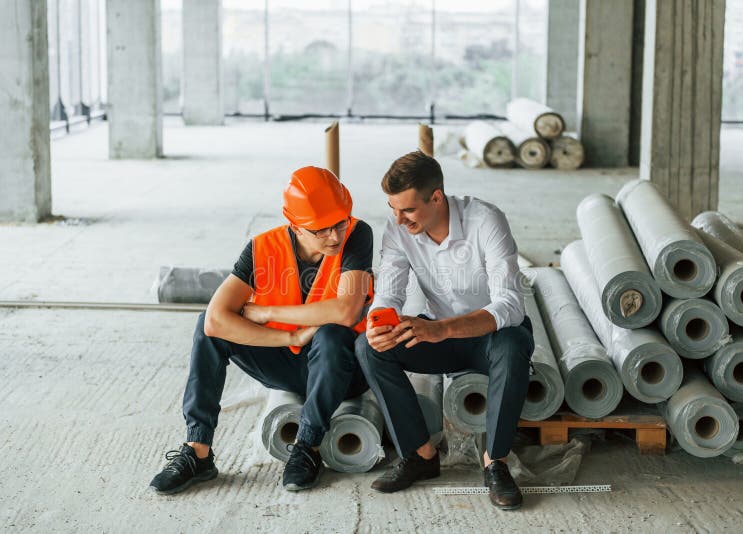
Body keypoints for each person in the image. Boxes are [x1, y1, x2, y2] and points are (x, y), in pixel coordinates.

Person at [150, 167, 373, 494]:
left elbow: (346, 309)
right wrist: (290, 336)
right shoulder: (261, 249)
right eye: (321, 231)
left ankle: (307, 447)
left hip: (344, 370)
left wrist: (268, 311)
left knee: (332, 332)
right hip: (287, 360)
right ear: (295, 226)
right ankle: (198, 451)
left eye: (339, 224)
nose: (335, 237)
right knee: (207, 328)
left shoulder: (357, 234)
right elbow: (216, 319)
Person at [355, 151, 533, 510]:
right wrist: (379, 322)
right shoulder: (399, 229)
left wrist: (441, 329)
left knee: (515, 343)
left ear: (436, 197)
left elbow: (510, 304)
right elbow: (389, 291)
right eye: (393, 209)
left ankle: (495, 462)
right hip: (439, 333)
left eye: (407, 210)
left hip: (491, 336)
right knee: (368, 347)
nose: (398, 219)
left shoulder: (486, 220)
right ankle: (421, 455)